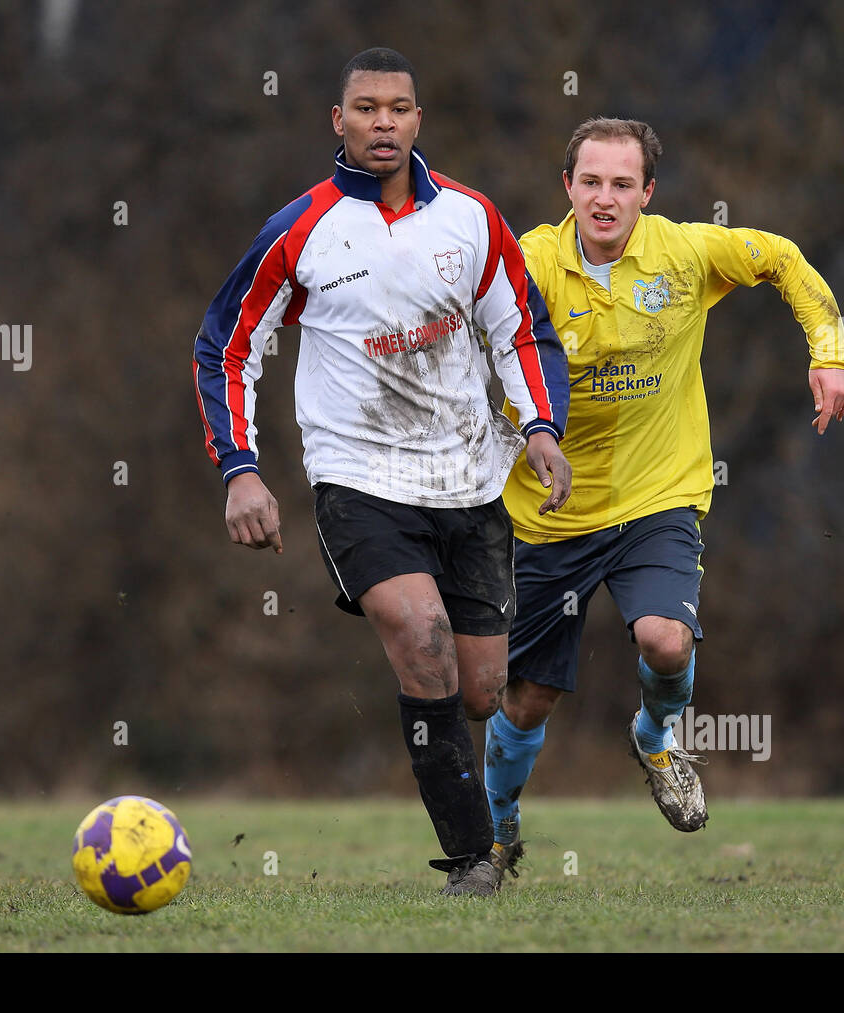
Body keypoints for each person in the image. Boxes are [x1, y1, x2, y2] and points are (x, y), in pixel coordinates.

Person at [193, 48, 572, 895]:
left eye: (398, 107)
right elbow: (226, 346)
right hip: (358, 477)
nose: (383, 122)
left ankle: (482, 821)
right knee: (420, 636)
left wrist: (541, 428)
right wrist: (240, 470)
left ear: (418, 120)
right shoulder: (301, 228)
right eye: (365, 108)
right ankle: (475, 861)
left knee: (478, 691)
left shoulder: (472, 219)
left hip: (469, 478)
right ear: (339, 121)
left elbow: (523, 330)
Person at [483, 117, 844, 878]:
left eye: (623, 184)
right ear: (568, 188)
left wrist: (830, 353)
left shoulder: (684, 254)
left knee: (666, 639)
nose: (605, 199)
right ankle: (498, 830)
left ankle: (656, 737)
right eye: (591, 182)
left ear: (648, 194)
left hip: (660, 497)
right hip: (551, 514)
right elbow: (459, 328)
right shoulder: (528, 264)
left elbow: (779, 259)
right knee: (526, 702)